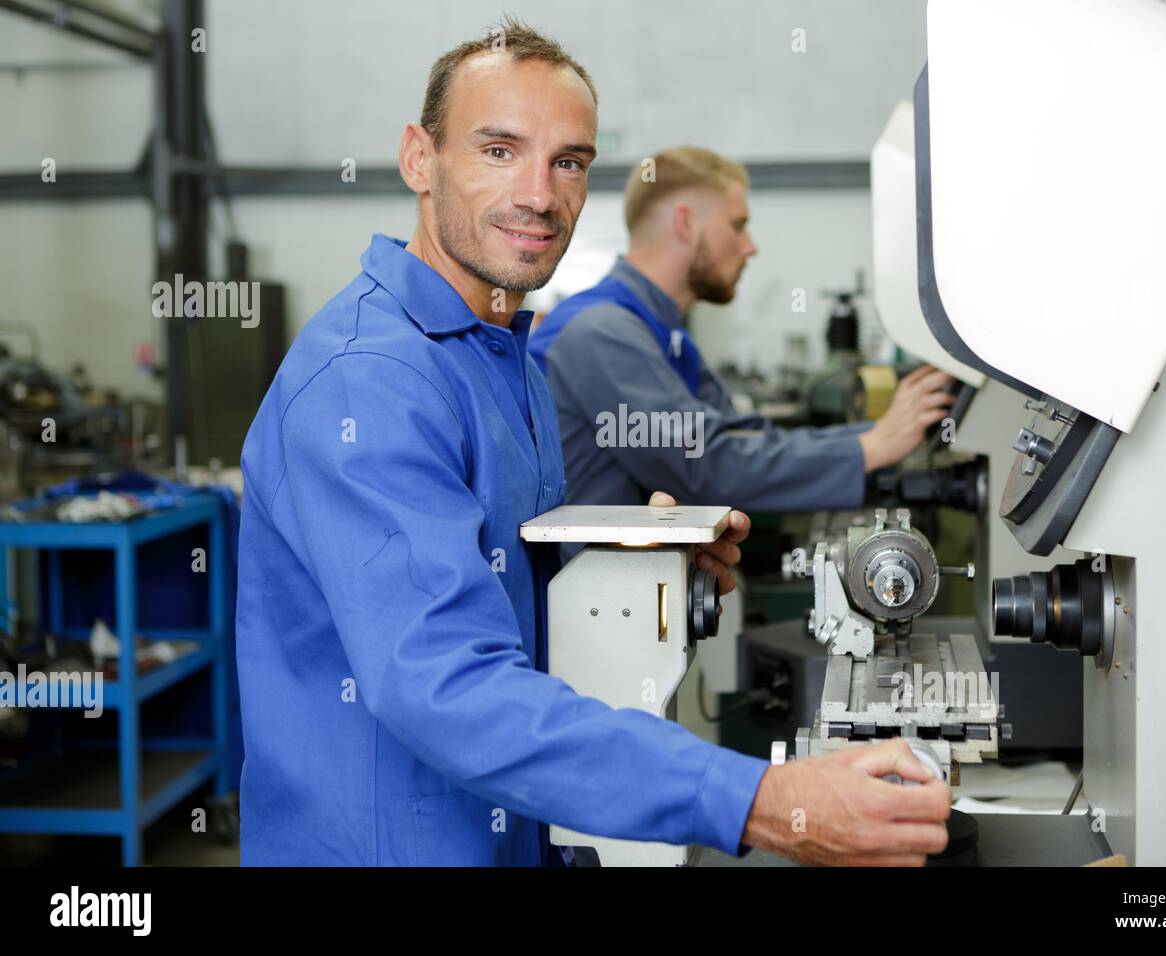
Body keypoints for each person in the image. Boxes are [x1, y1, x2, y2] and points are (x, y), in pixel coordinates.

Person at [236, 18, 950, 866]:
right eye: (499, 150)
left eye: (568, 161)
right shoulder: (371, 380)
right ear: (418, 160)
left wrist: (637, 563)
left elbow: (501, 587)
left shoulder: (505, 354)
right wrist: (758, 799)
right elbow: (445, 684)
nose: (540, 193)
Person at [528, 145, 956, 512]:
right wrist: (871, 447)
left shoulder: (665, 339)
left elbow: (743, 437)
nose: (750, 246)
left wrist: (882, 436)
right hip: (586, 603)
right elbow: (708, 464)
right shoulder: (600, 333)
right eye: (737, 224)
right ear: (685, 223)